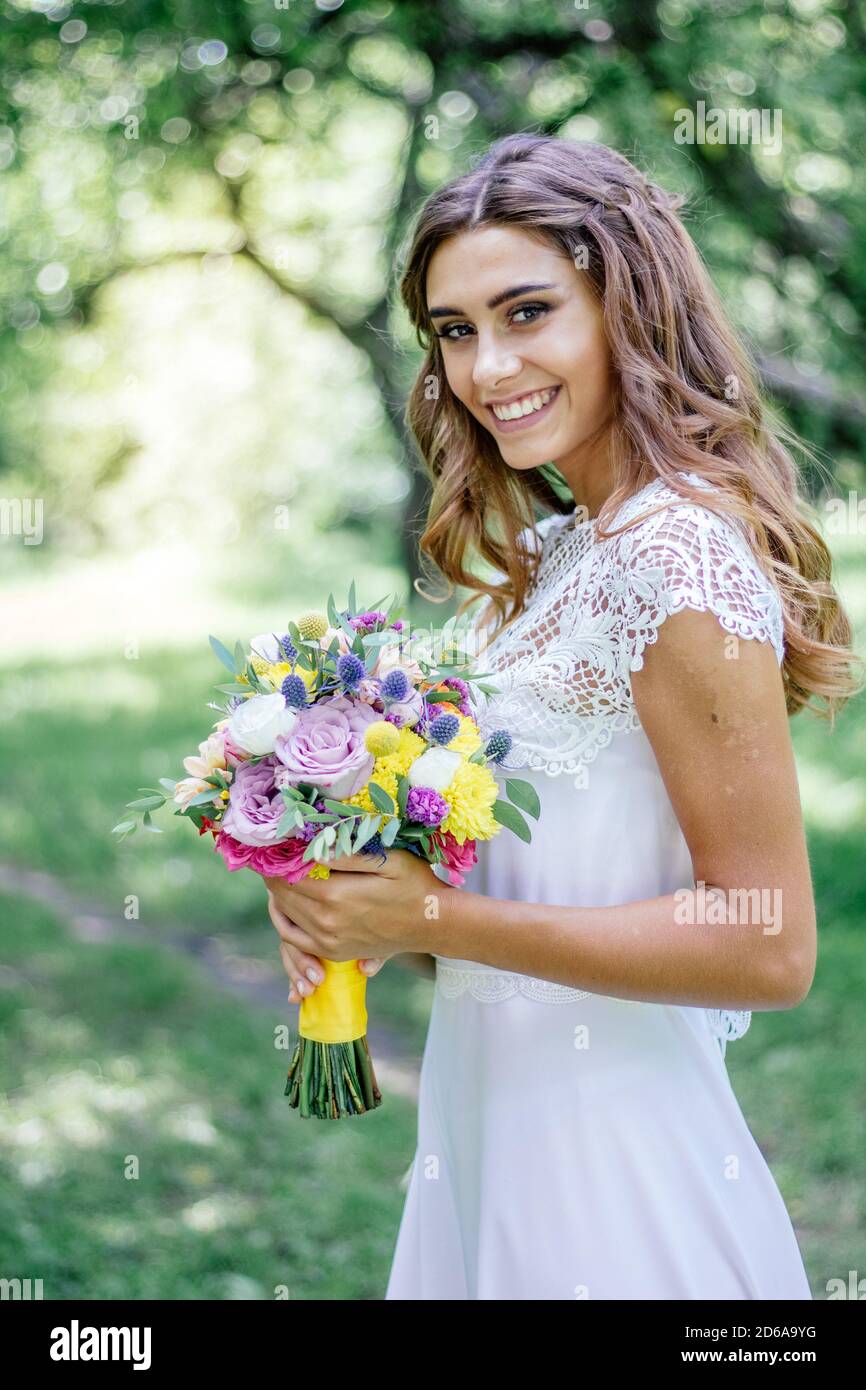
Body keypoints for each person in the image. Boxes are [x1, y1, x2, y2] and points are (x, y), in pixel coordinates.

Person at [265, 133, 863, 1299]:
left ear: (623, 305)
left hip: (612, 1166)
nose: (486, 369)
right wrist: (355, 880)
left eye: (526, 311)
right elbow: (546, 866)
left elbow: (768, 942)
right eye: (452, 330)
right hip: (491, 1121)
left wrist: (430, 916)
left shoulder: (673, 552)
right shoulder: (554, 555)